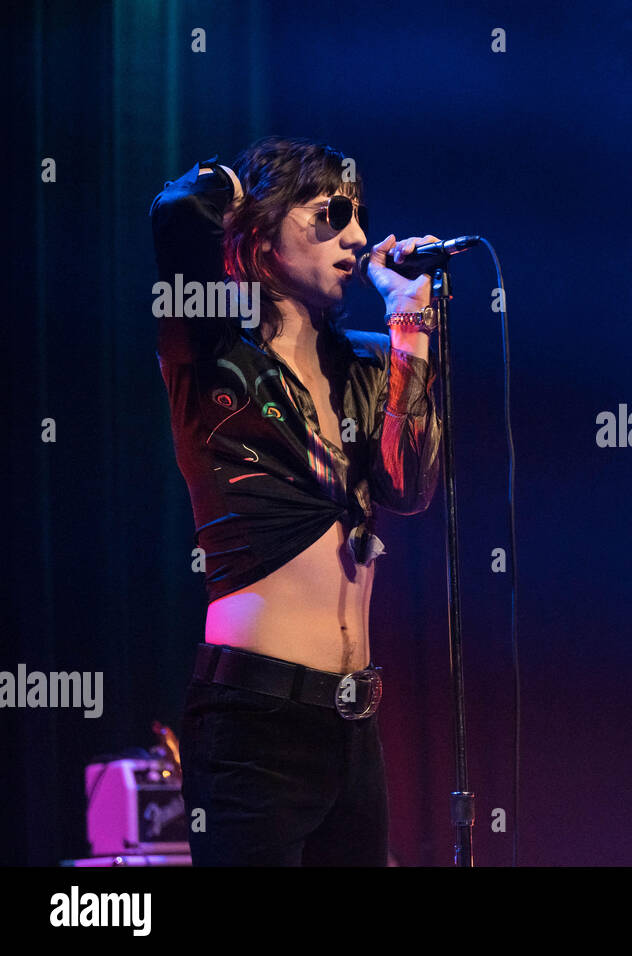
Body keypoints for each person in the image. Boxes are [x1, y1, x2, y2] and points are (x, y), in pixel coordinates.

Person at [150, 136, 444, 865]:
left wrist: (412, 323)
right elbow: (176, 213)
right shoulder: (210, 351)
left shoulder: (366, 364)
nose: (358, 235)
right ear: (261, 231)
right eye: (330, 214)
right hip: (255, 725)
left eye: (359, 215)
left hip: (353, 725)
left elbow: (409, 487)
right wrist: (245, 193)